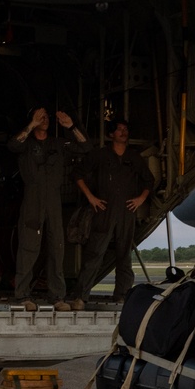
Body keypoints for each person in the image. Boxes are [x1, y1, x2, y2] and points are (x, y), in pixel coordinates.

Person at [8, 107, 90, 311]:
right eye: (39, 116)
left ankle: (57, 296)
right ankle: (23, 295)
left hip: (53, 199)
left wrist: (70, 126)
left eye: (46, 117)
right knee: (28, 247)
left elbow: (86, 147)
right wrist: (31, 125)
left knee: (57, 247)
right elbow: (12, 145)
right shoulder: (26, 143)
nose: (44, 120)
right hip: (32, 199)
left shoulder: (58, 143)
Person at [68, 119, 153, 310]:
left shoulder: (134, 157)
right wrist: (91, 197)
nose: (123, 132)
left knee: (125, 255)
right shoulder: (100, 155)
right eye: (119, 129)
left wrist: (140, 199)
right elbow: (77, 174)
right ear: (110, 135)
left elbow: (149, 181)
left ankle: (121, 296)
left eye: (125, 129)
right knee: (95, 253)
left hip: (126, 212)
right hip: (104, 210)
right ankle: (81, 297)